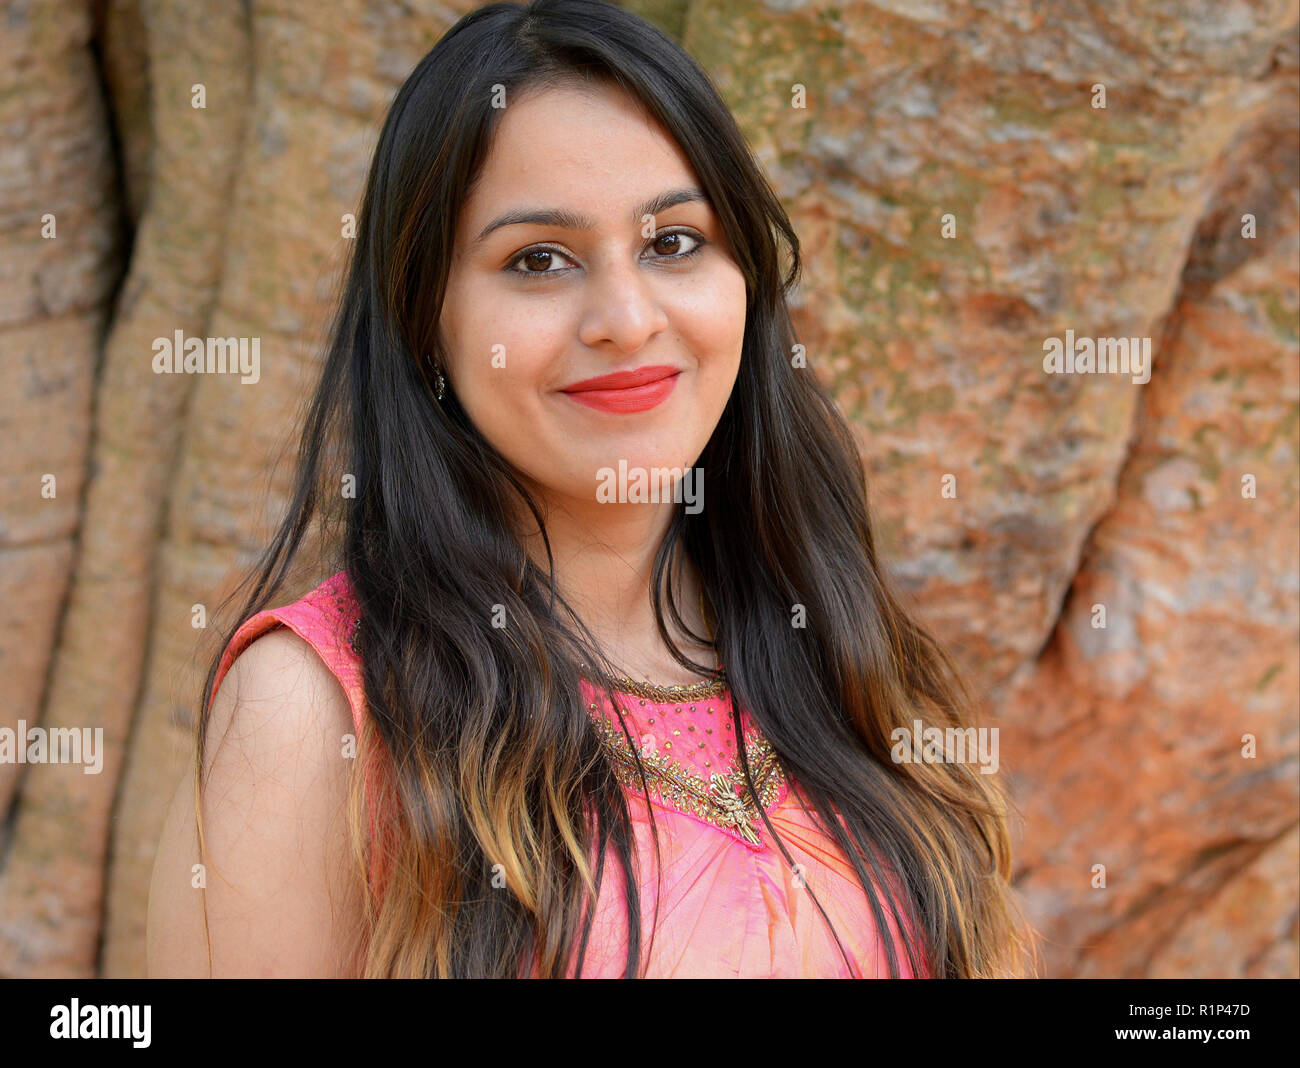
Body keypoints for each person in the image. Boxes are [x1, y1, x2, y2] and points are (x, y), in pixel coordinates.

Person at [147, 0, 1037, 978]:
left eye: (672, 242)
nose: (624, 317)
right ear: (425, 321)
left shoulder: (822, 638)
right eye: (538, 259)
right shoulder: (317, 717)